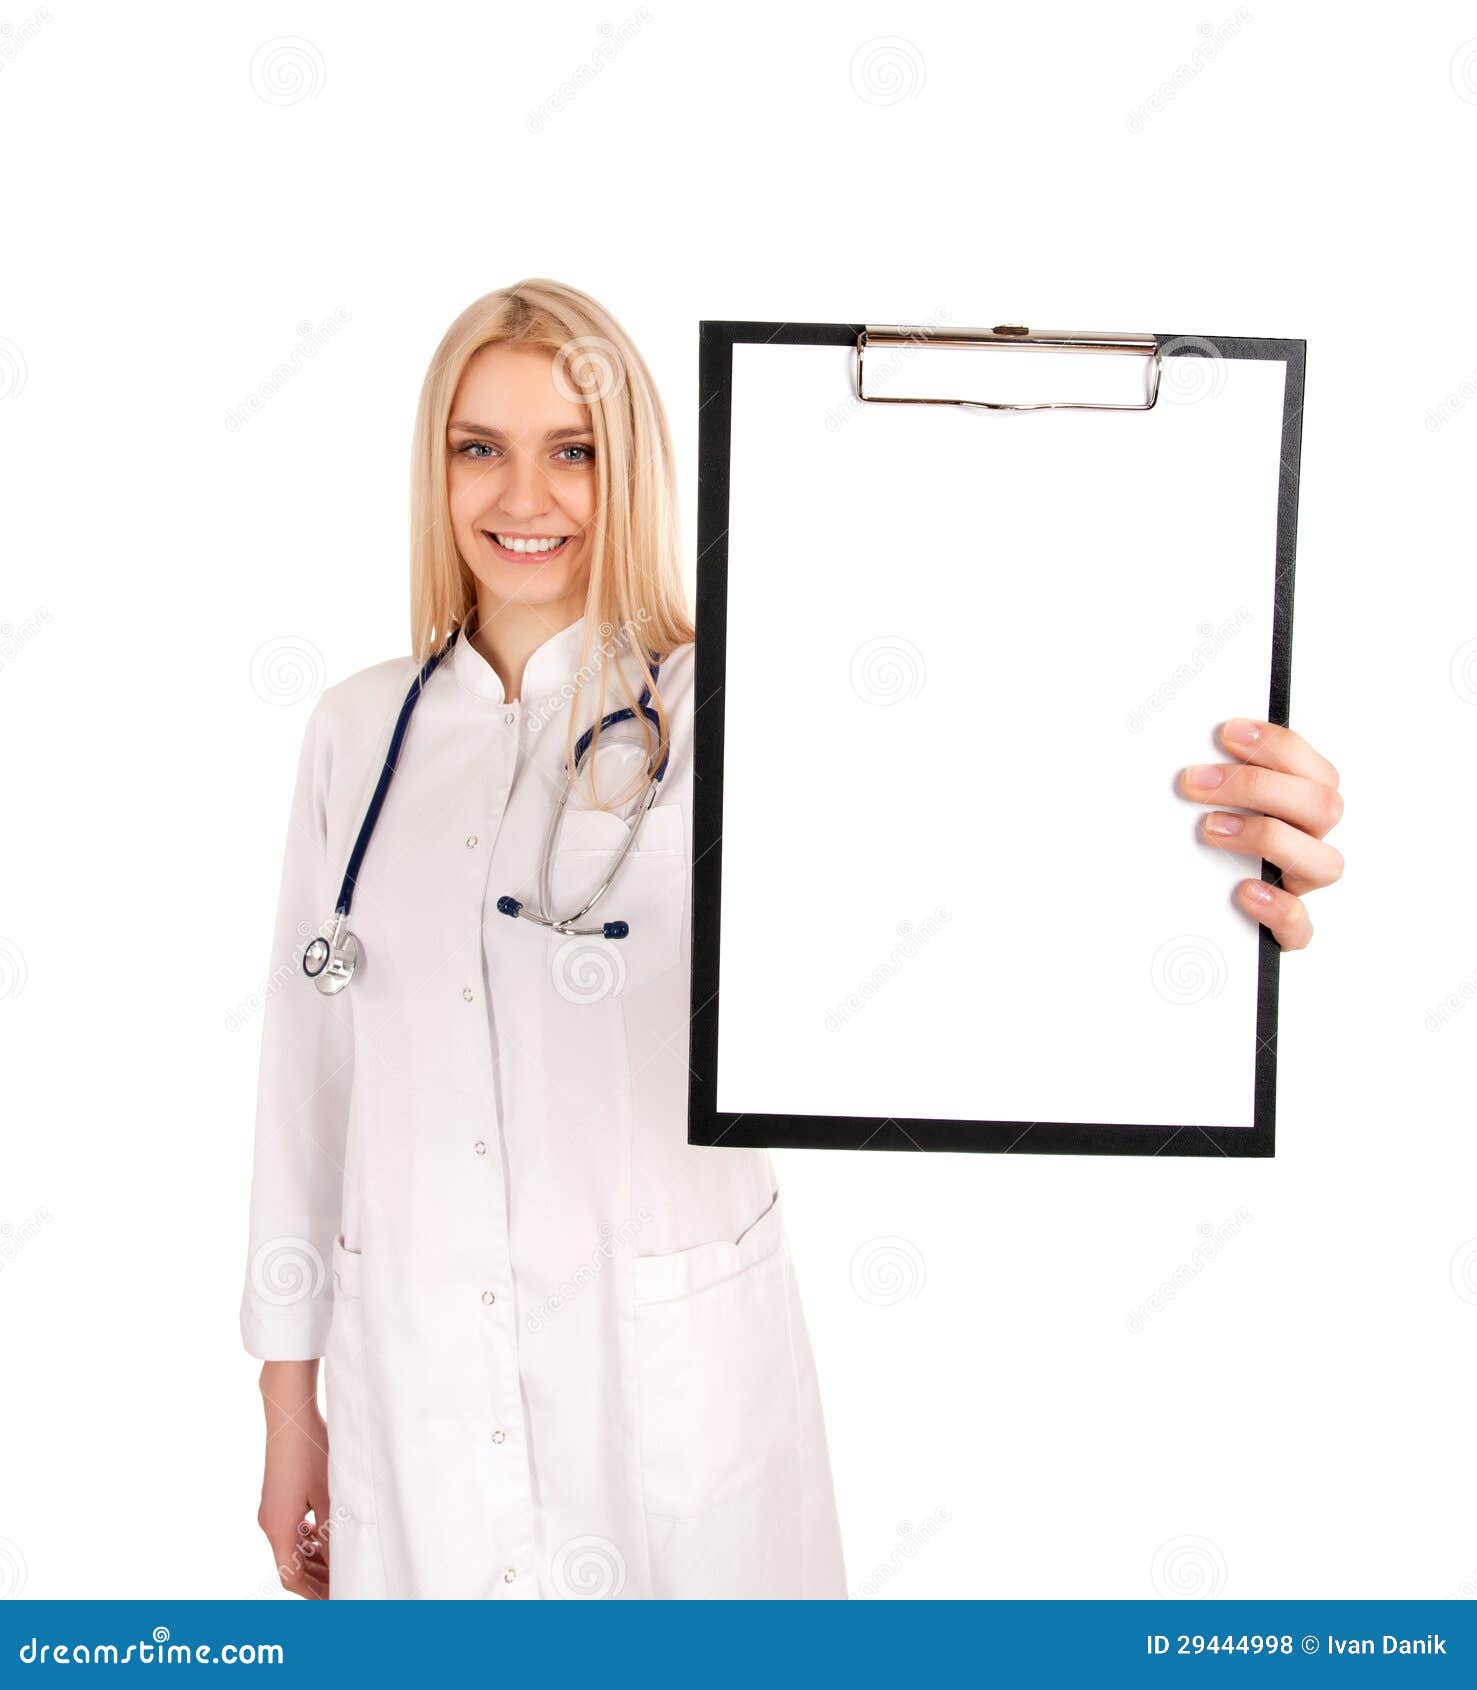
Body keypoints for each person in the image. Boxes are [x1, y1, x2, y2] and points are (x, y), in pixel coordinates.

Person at [240, 278, 1344, 1600]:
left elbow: (978, 838)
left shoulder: (735, 706)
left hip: (669, 1386)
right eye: (479, 446)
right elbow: (310, 1081)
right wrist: (287, 1397)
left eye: (572, 449)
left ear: (633, 463)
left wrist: (1204, 872)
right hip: (408, 1388)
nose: (521, 496)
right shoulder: (358, 735)